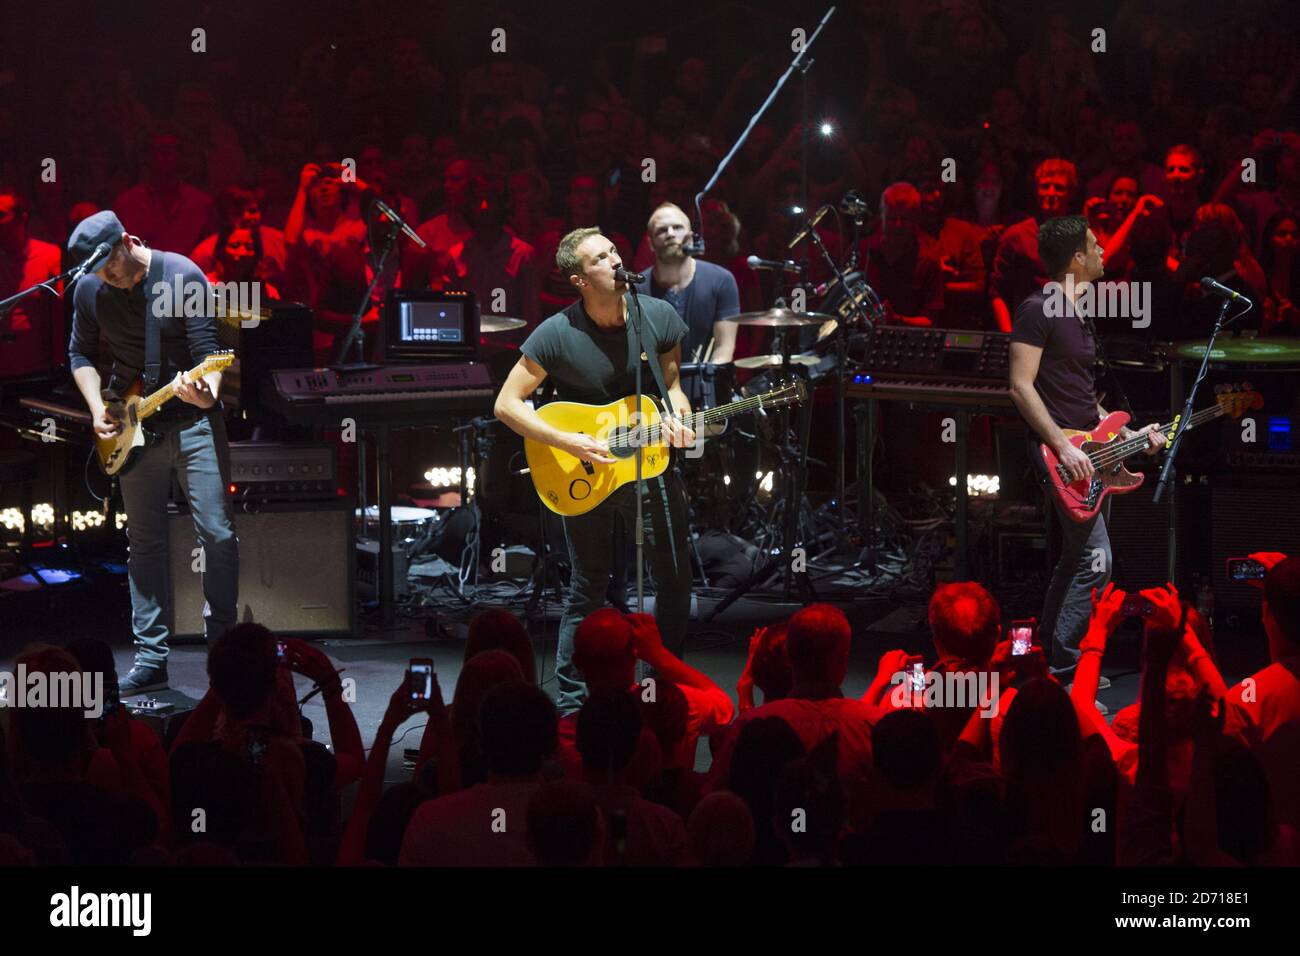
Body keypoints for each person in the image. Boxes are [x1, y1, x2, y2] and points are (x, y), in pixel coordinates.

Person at [493, 227, 696, 715]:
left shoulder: (659, 316)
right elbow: (506, 404)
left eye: (613, 249)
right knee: (589, 582)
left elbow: (674, 389)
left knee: (673, 577)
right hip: (584, 470)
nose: (614, 258)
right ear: (579, 279)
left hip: (648, 467)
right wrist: (566, 439)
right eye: (600, 257)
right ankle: (573, 702)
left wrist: (683, 421)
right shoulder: (556, 333)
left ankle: (665, 690)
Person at [67, 211, 238, 693]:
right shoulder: (89, 289)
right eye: (98, 273)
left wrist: (206, 393)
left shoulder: (182, 275)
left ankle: (224, 650)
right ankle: (150, 657)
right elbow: (79, 354)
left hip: (192, 423)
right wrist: (98, 404)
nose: (107, 278)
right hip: (131, 424)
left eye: (111, 266)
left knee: (218, 536)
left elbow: (210, 352)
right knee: (144, 543)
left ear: (128, 240)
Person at [1008, 214, 1167, 692]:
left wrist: (1130, 434)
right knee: (1098, 559)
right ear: (1076, 258)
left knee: (1077, 558)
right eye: (1095, 247)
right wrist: (1061, 445)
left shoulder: (1080, 313)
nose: (1103, 253)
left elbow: (1081, 398)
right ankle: (1065, 675)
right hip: (1064, 454)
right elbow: (1019, 386)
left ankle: (1047, 661)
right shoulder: (1037, 309)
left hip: (1090, 450)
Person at [633, 202, 740, 364]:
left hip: (705, 385)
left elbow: (724, 349)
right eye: (662, 230)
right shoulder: (636, 289)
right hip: (655, 386)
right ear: (650, 243)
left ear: (691, 236)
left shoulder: (722, 280)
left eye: (677, 227)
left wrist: (707, 376)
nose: (670, 234)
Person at [0, 189, 63, 378]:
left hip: (36, 370)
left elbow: (61, 316)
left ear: (22, 218)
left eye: (1, 215)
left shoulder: (48, 256)